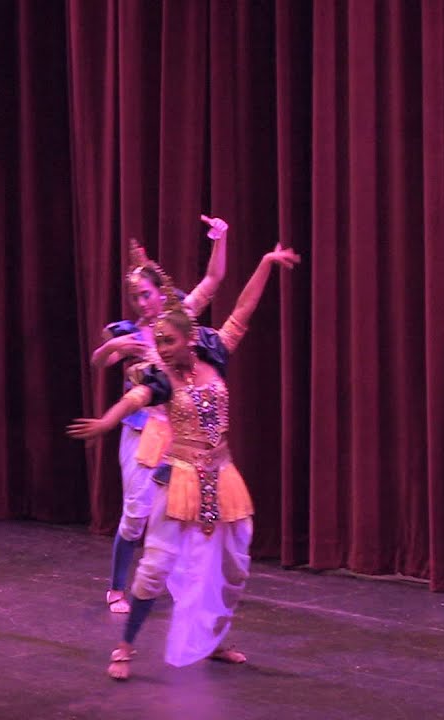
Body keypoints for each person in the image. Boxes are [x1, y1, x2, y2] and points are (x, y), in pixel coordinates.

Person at [68, 242, 301, 680]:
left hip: (224, 477)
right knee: (155, 567)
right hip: (178, 477)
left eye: (168, 340)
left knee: (228, 571)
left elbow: (244, 308)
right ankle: (125, 646)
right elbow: (135, 396)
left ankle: (213, 640)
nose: (161, 345)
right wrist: (105, 422)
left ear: (191, 339)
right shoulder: (162, 379)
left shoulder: (216, 355)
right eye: (157, 341)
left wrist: (266, 262)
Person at [89, 215, 229, 613]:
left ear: (161, 293)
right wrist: (113, 351)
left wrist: (221, 238)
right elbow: (101, 363)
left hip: (180, 437)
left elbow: (213, 280)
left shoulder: (180, 319)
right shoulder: (128, 334)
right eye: (137, 298)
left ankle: (186, 590)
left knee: (183, 513)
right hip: (140, 436)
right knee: (136, 516)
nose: (143, 303)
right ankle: (117, 588)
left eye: (148, 294)